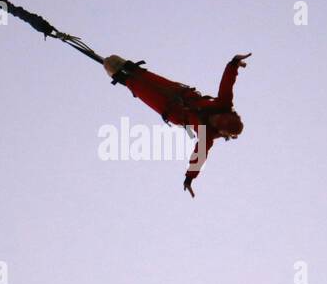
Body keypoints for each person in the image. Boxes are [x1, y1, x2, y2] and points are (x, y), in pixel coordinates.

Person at [103, 52, 250, 197]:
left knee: (137, 86)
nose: (216, 119)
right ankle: (125, 67)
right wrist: (234, 62)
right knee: (142, 75)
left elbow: (199, 157)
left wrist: (189, 178)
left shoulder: (207, 135)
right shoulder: (224, 103)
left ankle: (121, 77)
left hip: (171, 110)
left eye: (219, 123)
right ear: (227, 114)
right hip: (178, 93)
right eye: (221, 118)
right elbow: (227, 83)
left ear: (221, 130)